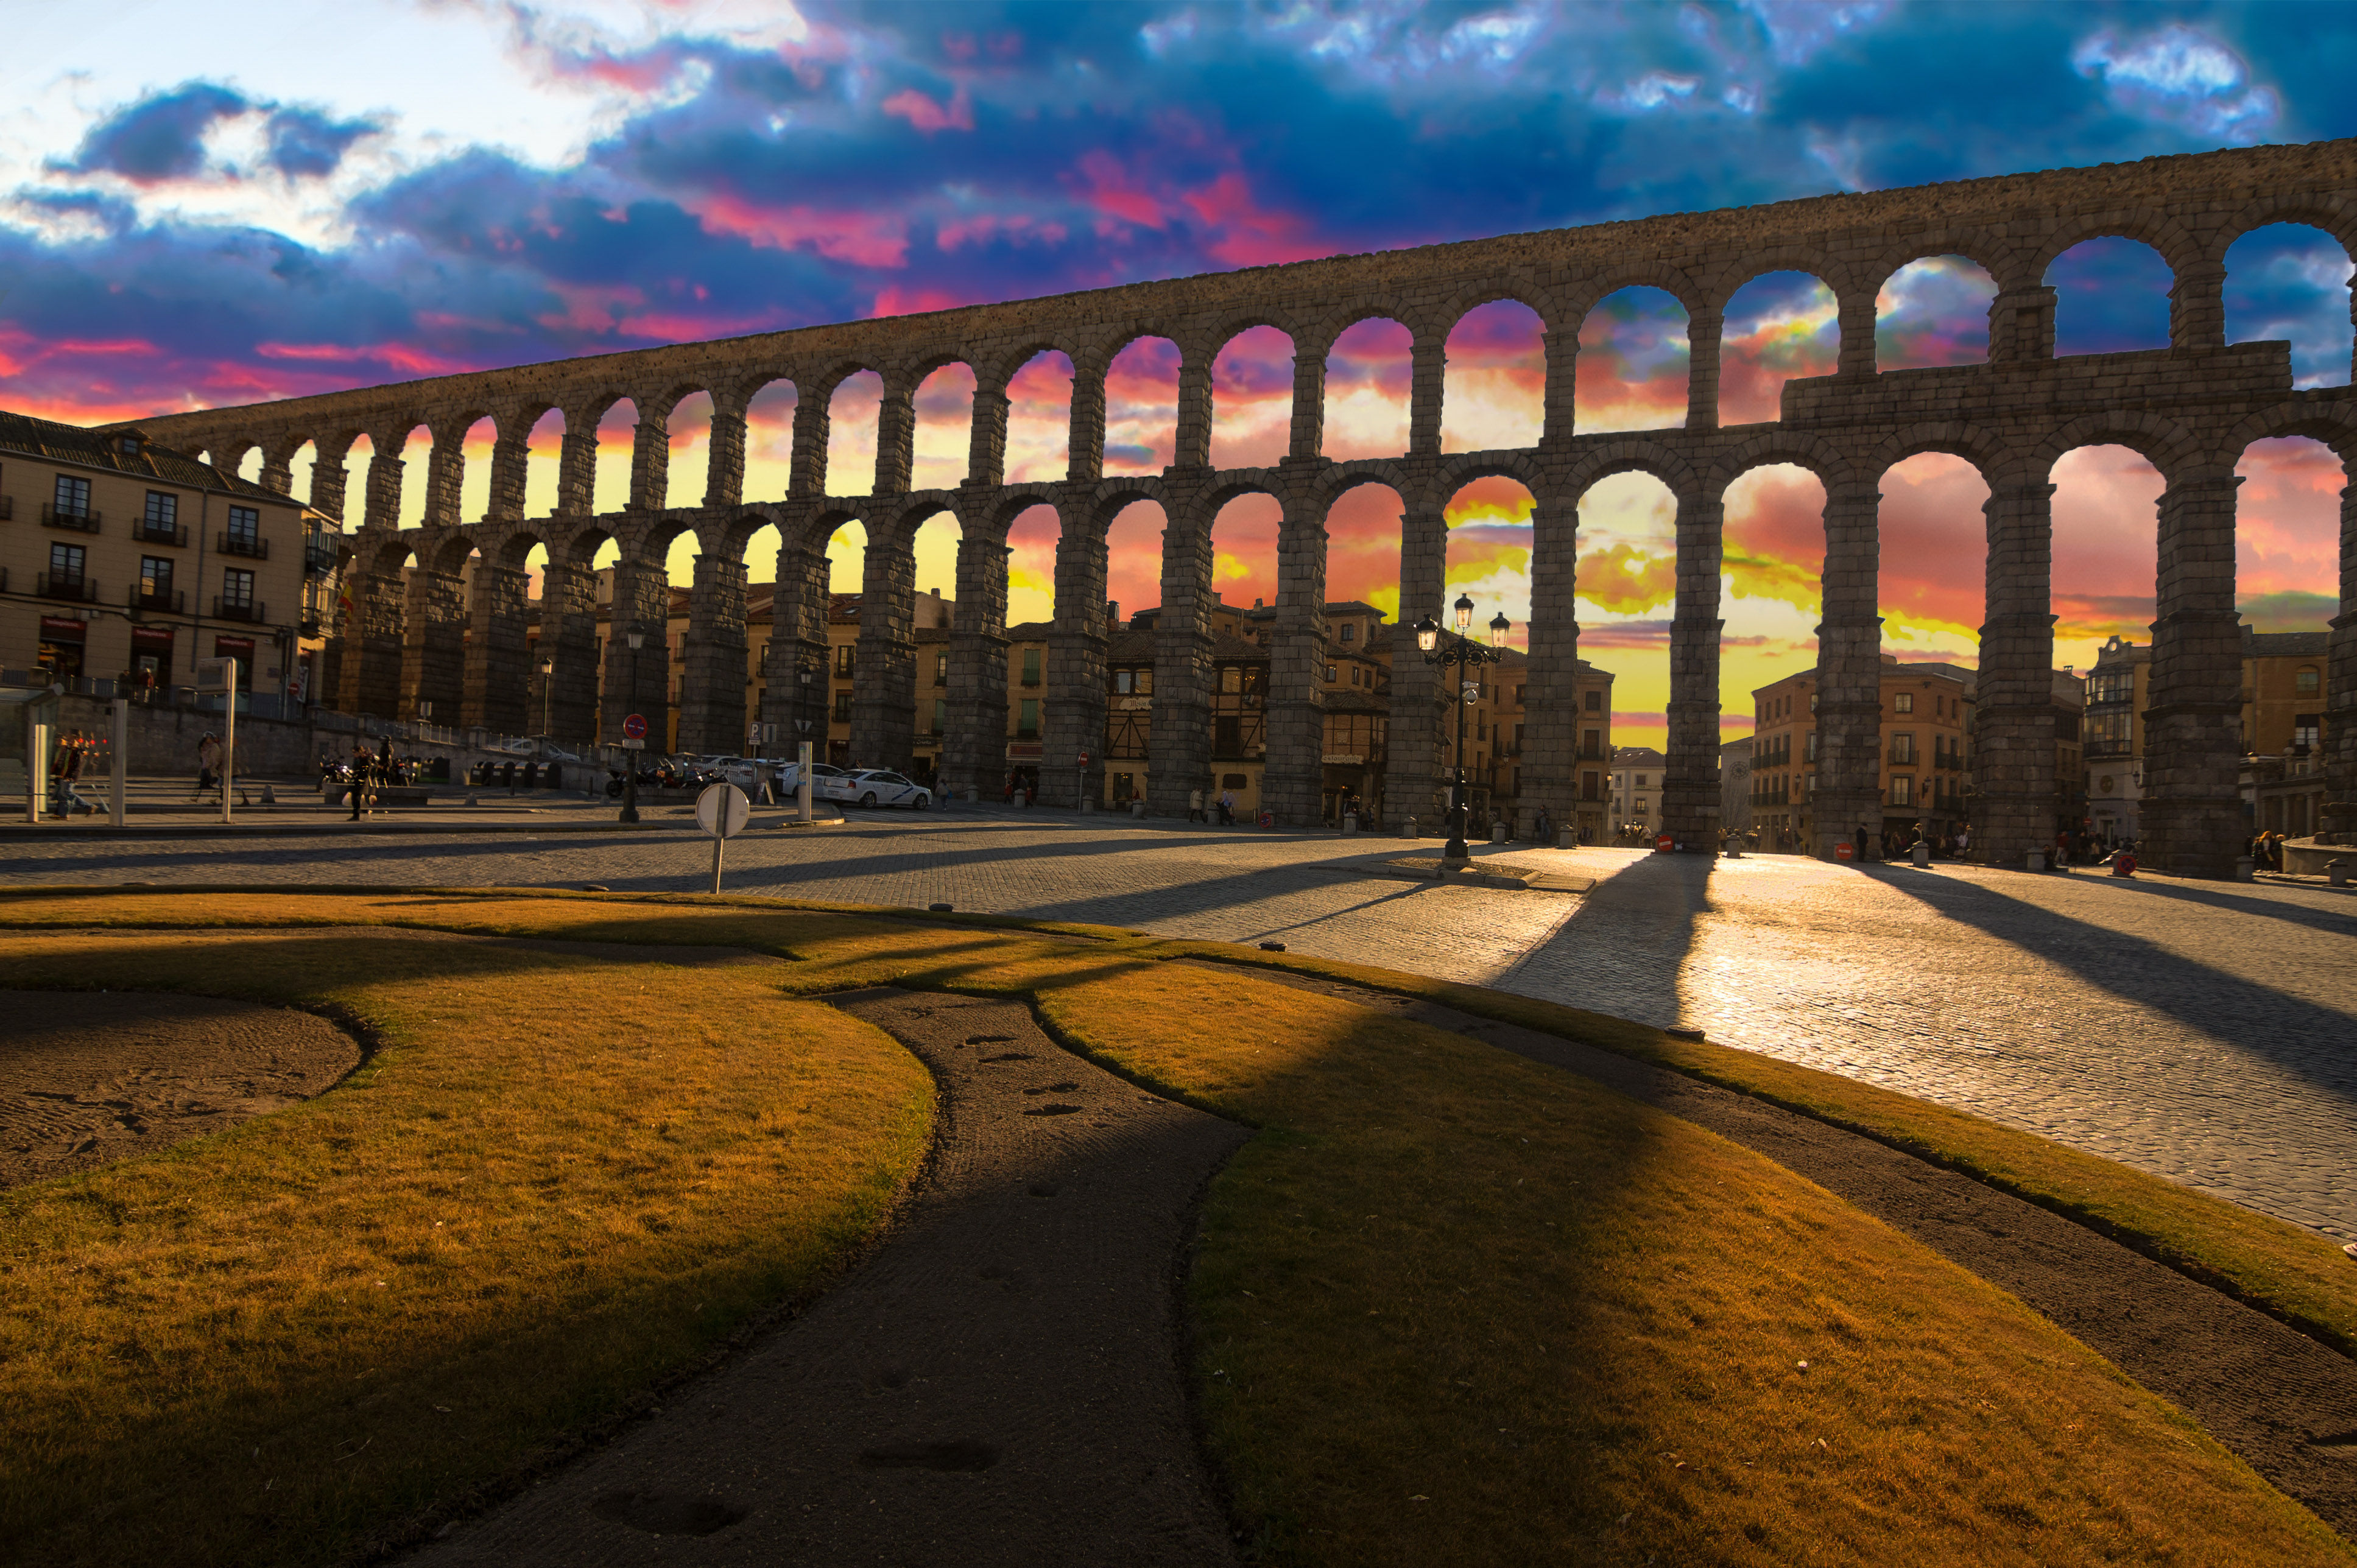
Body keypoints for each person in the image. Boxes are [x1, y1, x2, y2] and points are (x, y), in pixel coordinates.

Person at [194, 732, 224, 804]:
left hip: (210, 768)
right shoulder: (207, 747)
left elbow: (216, 758)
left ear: (211, 739)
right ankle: (196, 797)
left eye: (208, 738)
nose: (207, 740)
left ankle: (221, 795)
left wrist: (213, 766)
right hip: (205, 768)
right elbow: (204, 757)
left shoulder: (214, 747)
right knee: (202, 783)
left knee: (214, 782)